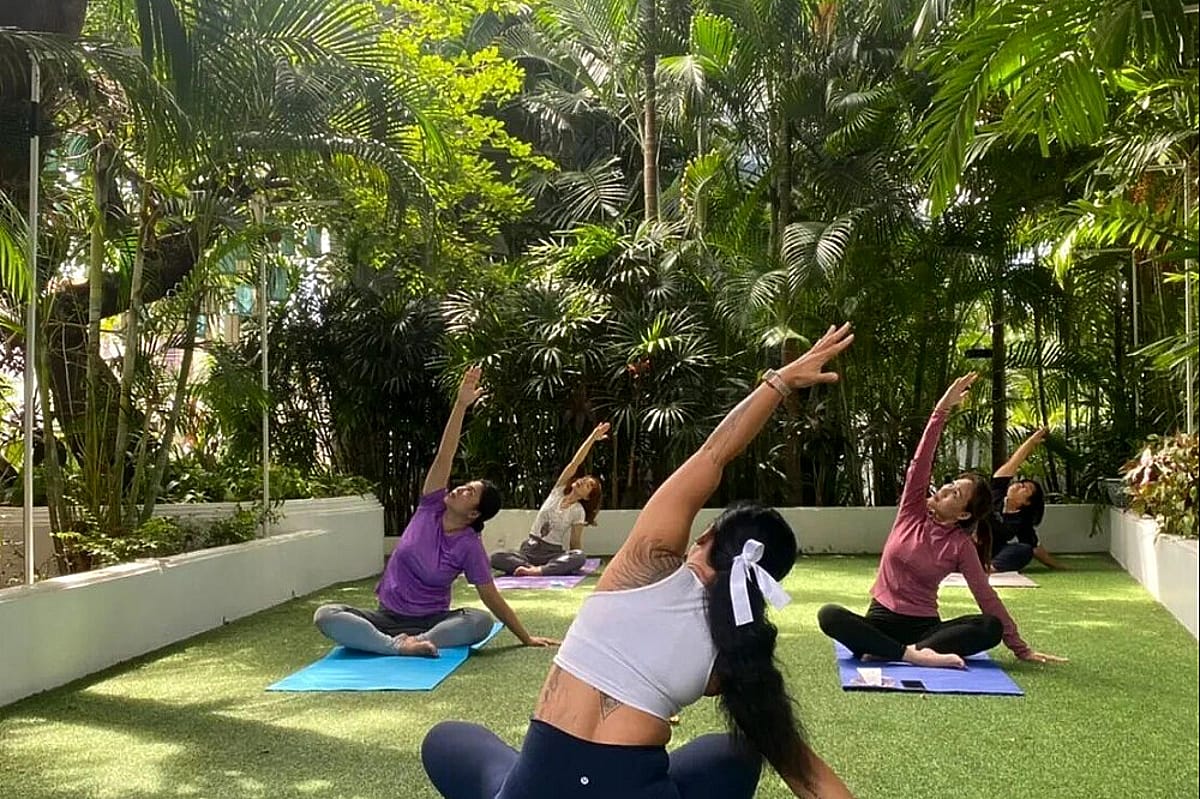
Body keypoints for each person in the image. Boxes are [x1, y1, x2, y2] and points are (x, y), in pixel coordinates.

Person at [422, 324, 858, 799]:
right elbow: (805, 773)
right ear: (764, 585)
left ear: (708, 534)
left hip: (535, 785)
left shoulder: (644, 563)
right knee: (735, 752)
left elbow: (715, 454)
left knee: (447, 739)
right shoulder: (735, 652)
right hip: (632, 787)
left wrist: (779, 381)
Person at [817, 373, 1068, 669]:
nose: (946, 488)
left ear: (963, 514)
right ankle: (909, 655)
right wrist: (941, 409)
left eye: (956, 493)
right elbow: (920, 463)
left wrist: (1020, 648)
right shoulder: (911, 512)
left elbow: (986, 597)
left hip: (927, 630)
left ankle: (894, 651)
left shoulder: (961, 546)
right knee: (829, 615)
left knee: (989, 626)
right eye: (951, 483)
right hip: (880, 619)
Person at [313, 367, 557, 657]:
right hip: (386, 618)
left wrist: (525, 637)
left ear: (473, 515)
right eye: (464, 485)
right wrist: (461, 404)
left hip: (433, 622)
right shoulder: (430, 507)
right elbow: (445, 455)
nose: (460, 489)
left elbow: (490, 596)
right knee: (326, 614)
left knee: (479, 621)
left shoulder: (469, 546)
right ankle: (397, 646)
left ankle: (416, 641)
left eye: (470, 493)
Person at [490, 423, 610, 577]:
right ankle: (531, 568)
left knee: (579, 557)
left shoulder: (578, 511)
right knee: (496, 557)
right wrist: (593, 437)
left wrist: (576, 560)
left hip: (551, 554)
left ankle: (539, 571)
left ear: (587, 497)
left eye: (588, 485)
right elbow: (575, 463)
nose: (582, 481)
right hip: (528, 551)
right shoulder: (558, 491)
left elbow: (575, 543)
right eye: (584, 479)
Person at [991, 427, 1066, 572]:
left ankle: (988, 568)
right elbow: (1013, 464)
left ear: (1027, 502)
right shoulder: (995, 493)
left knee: (1024, 550)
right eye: (1021, 482)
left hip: (990, 552)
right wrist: (1032, 441)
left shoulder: (1021, 521)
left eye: (1026, 488)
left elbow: (1036, 549)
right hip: (967, 543)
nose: (1019, 485)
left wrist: (1059, 566)